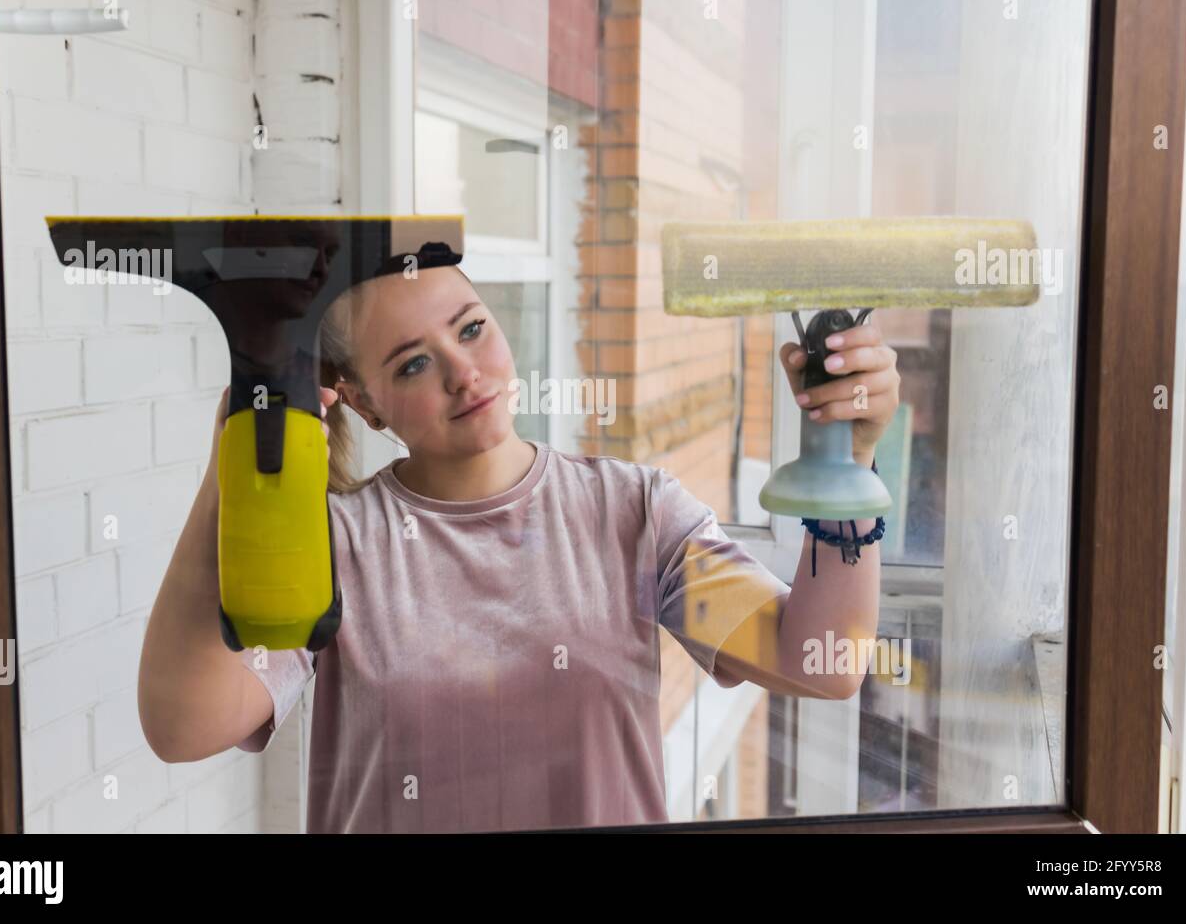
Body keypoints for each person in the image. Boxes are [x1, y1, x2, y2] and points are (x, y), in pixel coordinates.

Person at [139, 259, 901, 833]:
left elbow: (819, 660)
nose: (464, 372)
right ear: (366, 403)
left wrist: (851, 462)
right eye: (413, 362)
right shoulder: (333, 548)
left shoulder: (632, 513)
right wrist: (236, 464)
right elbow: (182, 726)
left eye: (471, 328)